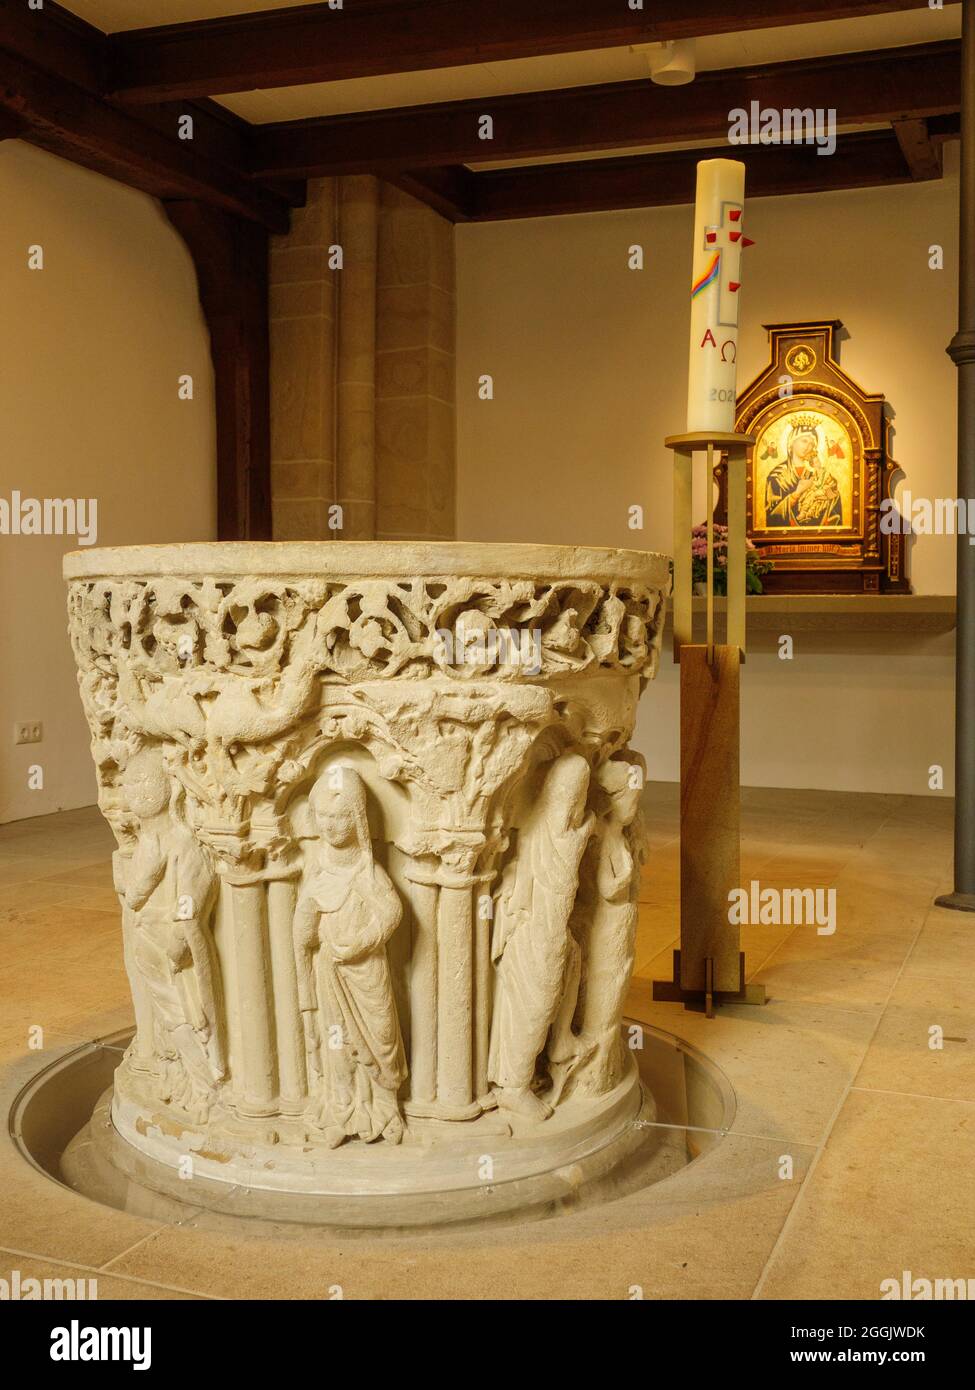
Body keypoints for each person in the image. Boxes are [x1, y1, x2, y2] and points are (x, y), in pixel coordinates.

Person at [293, 767, 407, 1146]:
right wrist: (306, 925)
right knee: (336, 1041)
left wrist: (362, 941)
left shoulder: (365, 869)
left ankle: (384, 1108)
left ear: (357, 817)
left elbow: (392, 911)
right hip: (330, 972)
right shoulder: (317, 867)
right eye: (324, 816)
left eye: (340, 816)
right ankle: (342, 1110)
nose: (331, 825)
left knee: (383, 1036)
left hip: (366, 971)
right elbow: (304, 922)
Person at [765, 418, 842, 528]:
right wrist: (797, 493)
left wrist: (829, 495)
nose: (808, 446)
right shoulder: (777, 476)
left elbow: (834, 496)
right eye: (804, 441)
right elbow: (771, 515)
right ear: (792, 441)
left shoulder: (817, 471)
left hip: (819, 532)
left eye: (812, 444)